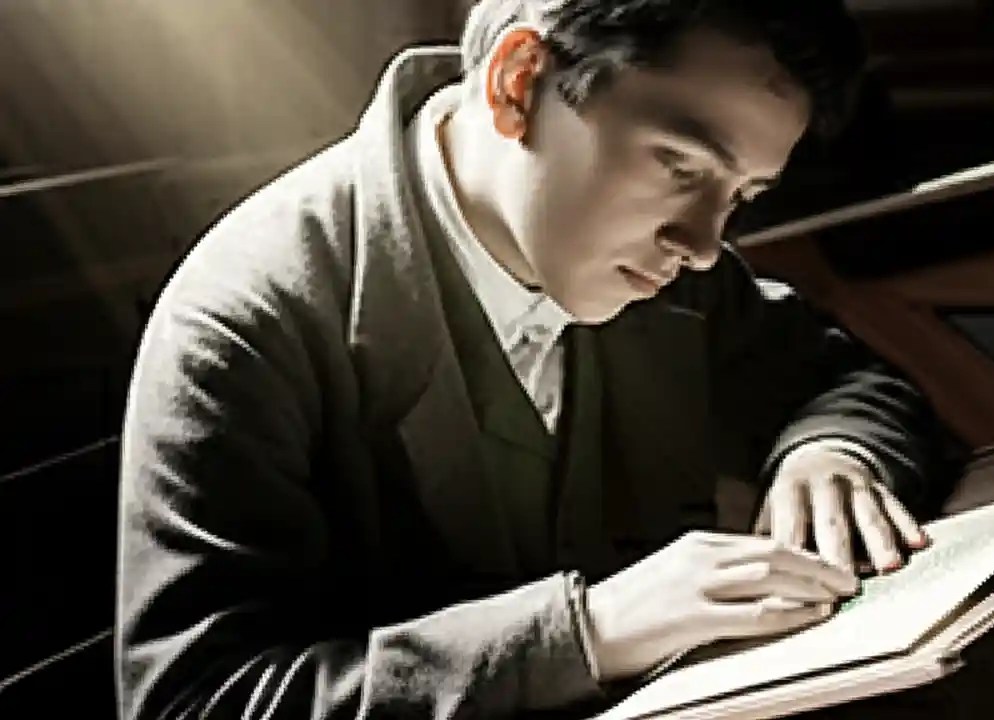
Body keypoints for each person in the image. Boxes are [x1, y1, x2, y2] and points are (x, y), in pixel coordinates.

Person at [115, 1, 949, 717]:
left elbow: (844, 381)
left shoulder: (665, 266)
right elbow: (197, 700)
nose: (702, 246)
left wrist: (828, 452)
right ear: (519, 82)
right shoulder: (248, 318)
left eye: (741, 197)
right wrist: (588, 632)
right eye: (679, 165)